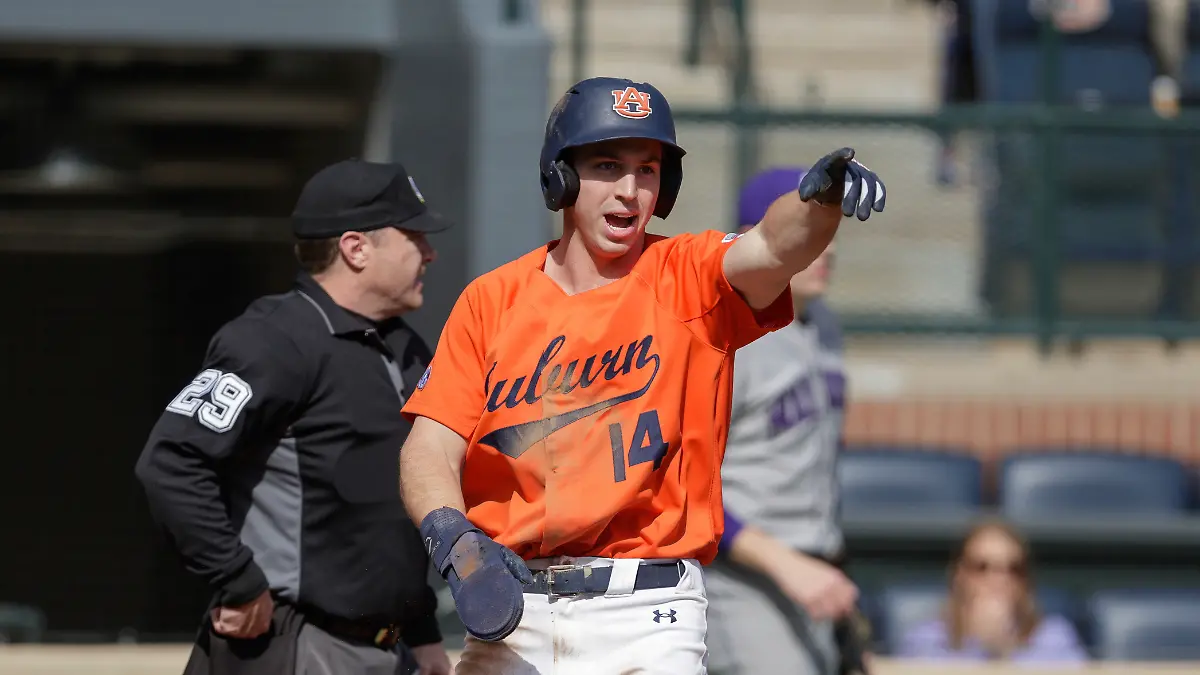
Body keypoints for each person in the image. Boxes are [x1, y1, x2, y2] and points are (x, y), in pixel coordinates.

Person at [397, 76, 886, 673]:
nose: (630, 191)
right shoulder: (491, 300)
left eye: (648, 170)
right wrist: (456, 540)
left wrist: (821, 205)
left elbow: (774, 248)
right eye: (607, 165)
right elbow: (430, 447)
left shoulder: (688, 275)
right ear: (562, 176)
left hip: (647, 613)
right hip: (512, 611)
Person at [135, 159, 455, 675]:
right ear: (356, 248)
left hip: (386, 648)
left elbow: (386, 511)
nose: (430, 252)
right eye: (414, 237)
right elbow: (171, 463)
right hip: (293, 645)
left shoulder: (405, 348)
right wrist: (237, 580)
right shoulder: (274, 339)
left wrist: (420, 633)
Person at [705, 166, 869, 675]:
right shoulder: (727, 339)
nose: (830, 250)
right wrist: (787, 565)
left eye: (832, 231)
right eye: (811, 233)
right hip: (741, 576)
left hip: (817, 571)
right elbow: (684, 481)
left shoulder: (824, 325)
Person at [898, 519, 1087, 663]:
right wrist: (980, 648)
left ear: (1027, 581)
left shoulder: (1054, 638)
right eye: (982, 567)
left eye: (1014, 569)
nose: (999, 579)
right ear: (959, 575)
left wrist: (1004, 650)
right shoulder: (927, 639)